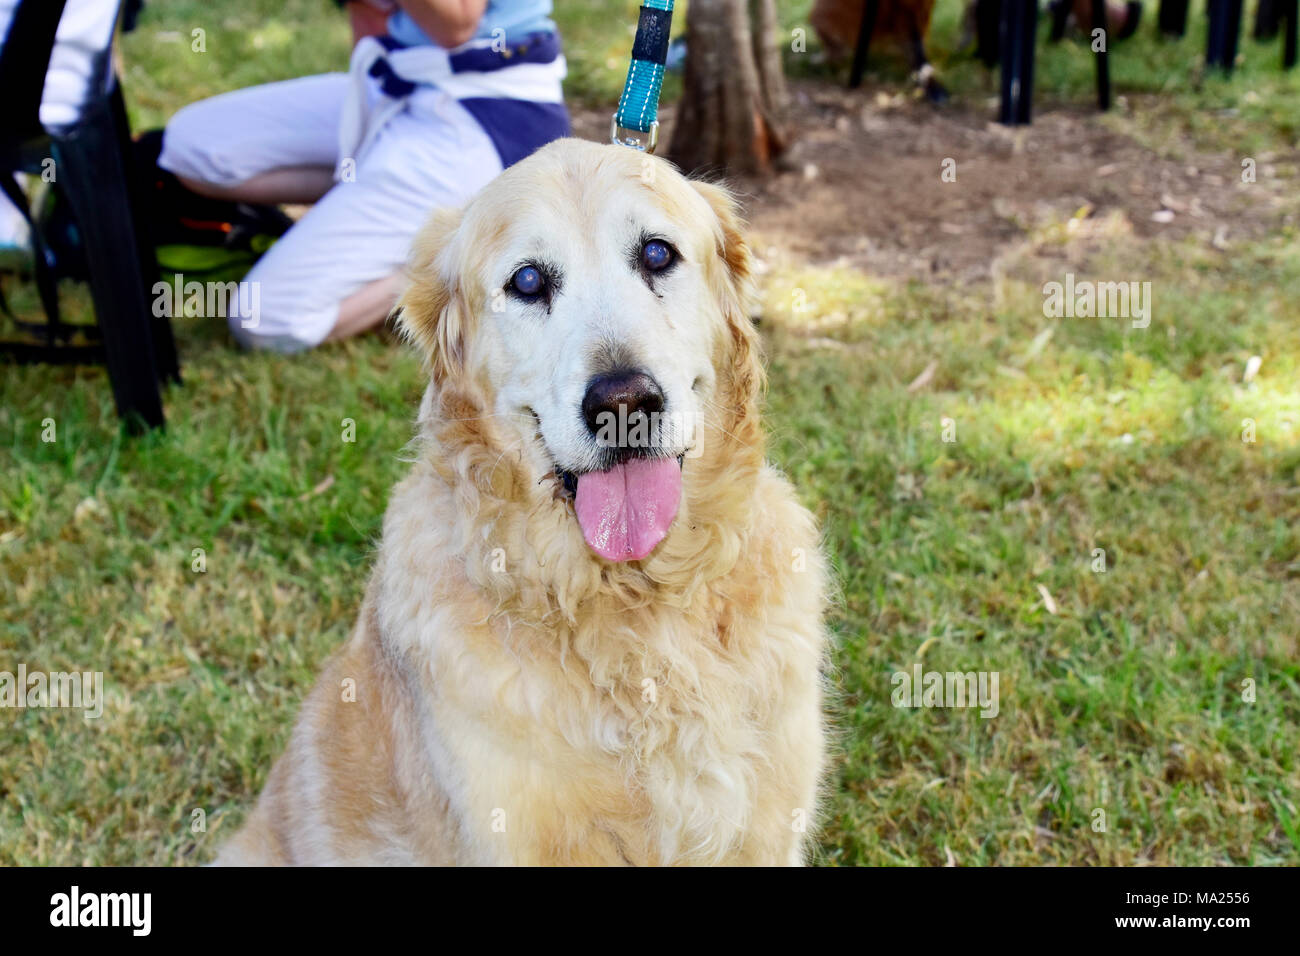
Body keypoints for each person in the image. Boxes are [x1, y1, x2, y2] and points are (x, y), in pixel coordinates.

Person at [158, 0, 569, 352]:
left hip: (491, 112)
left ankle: (452, 262)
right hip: (401, 85)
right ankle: (378, 219)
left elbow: (456, 22)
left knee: (265, 319)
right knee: (190, 148)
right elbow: (371, 21)